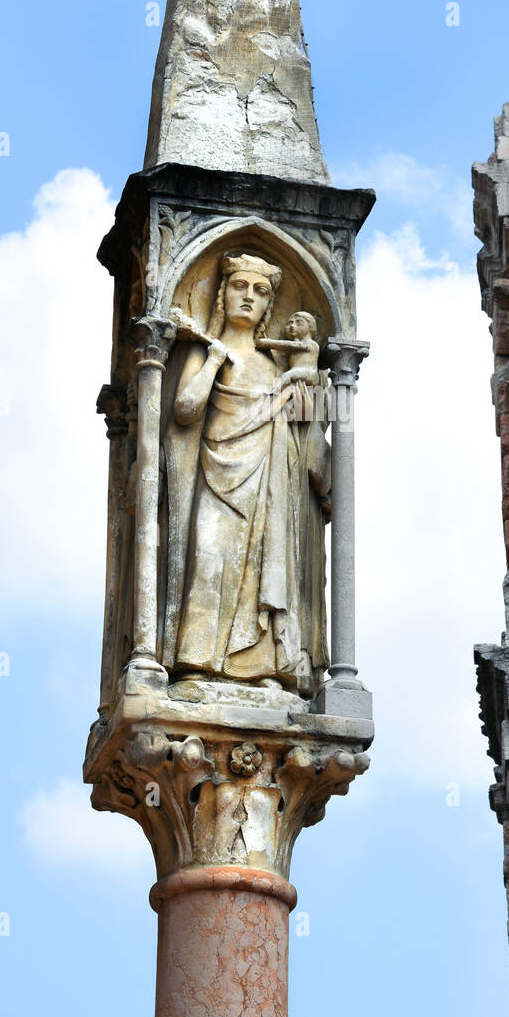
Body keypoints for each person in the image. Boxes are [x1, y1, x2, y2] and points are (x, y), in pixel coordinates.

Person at [160, 254, 328, 694]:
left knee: (263, 569)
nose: (249, 297)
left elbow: (308, 430)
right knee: (210, 557)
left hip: (267, 482)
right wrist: (215, 359)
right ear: (223, 292)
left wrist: (310, 384)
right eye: (240, 286)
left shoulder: (275, 365)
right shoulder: (203, 348)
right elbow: (184, 411)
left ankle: (262, 670)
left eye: (261, 291)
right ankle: (195, 665)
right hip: (215, 477)